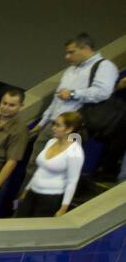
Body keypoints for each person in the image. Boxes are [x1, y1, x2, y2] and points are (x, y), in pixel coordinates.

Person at [25, 34, 117, 183]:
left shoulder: (105, 66)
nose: (67, 57)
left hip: (74, 127)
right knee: (34, 165)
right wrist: (42, 123)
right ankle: (24, 201)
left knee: (58, 169)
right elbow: (57, 98)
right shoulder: (70, 70)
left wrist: (73, 94)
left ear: (85, 48)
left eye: (71, 52)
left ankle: (50, 204)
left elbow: (103, 92)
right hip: (53, 124)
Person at [15, 112, 84, 219]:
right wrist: (26, 189)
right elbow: (40, 169)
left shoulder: (75, 151)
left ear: (69, 129)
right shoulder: (51, 142)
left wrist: (63, 209)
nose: (53, 128)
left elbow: (72, 182)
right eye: (54, 124)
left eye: (58, 125)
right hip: (32, 192)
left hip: (50, 199)